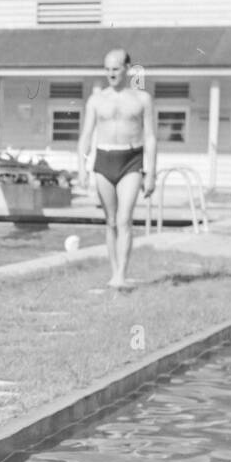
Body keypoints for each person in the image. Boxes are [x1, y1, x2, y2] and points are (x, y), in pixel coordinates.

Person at [77, 48, 157, 289]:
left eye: (116, 68)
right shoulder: (97, 99)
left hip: (131, 159)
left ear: (128, 69)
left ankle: (122, 274)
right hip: (104, 159)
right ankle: (114, 272)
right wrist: (81, 166)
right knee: (111, 220)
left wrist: (151, 172)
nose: (111, 73)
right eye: (107, 69)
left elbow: (151, 137)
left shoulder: (142, 99)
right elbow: (86, 135)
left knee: (124, 219)